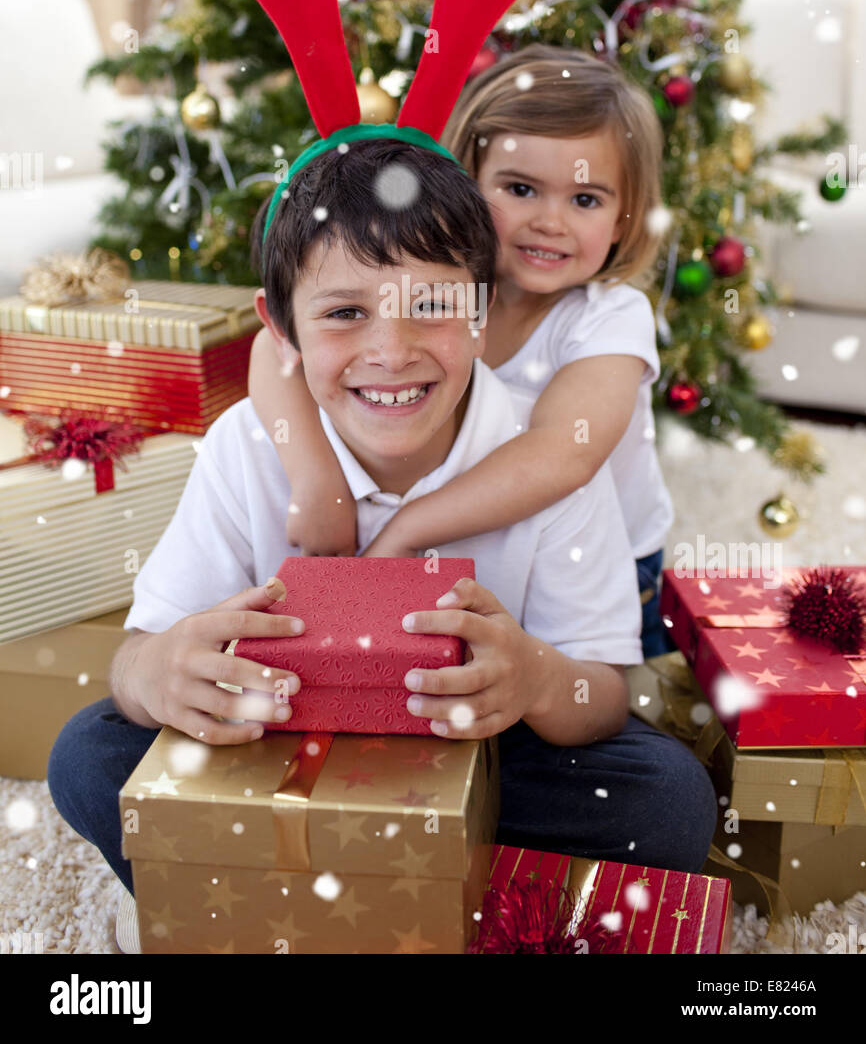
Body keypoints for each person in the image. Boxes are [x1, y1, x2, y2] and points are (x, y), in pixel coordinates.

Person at [48, 136, 716, 921]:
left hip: (488, 756)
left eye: (432, 308)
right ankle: (265, 888)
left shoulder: (547, 461)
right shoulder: (248, 446)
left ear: (481, 311)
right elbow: (140, 652)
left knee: (669, 801)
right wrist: (155, 671)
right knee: (88, 755)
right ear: (283, 330)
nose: (390, 353)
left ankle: (431, 895)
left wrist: (533, 677)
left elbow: (604, 695)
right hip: (275, 750)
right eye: (344, 314)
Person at [249, 44, 677, 658]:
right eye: (520, 188)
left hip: (600, 568)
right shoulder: (431, 293)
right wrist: (315, 479)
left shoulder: (610, 317)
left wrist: (405, 533)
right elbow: (275, 351)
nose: (549, 222)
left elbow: (564, 455)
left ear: (622, 219)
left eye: (585, 199)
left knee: (608, 715)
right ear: (464, 184)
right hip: (471, 557)